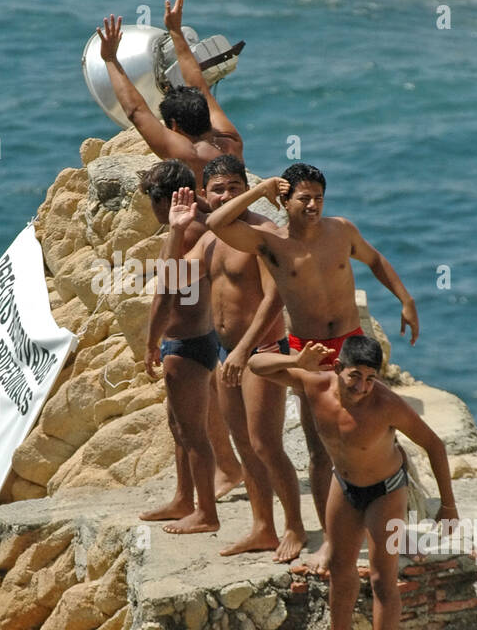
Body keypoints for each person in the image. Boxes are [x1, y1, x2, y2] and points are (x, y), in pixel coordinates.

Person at [205, 161, 419, 574]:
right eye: (303, 198)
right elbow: (216, 221)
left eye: (319, 197)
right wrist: (258, 188)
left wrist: (405, 300)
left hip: (352, 345)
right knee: (321, 447)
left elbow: (374, 260)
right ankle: (331, 540)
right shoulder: (271, 243)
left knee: (379, 432)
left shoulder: (341, 231)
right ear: (284, 201)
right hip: (310, 352)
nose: (313, 205)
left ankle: (393, 525)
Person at [248, 333, 459, 630]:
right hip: (343, 486)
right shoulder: (313, 384)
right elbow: (254, 363)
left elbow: (435, 445)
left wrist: (449, 506)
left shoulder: (388, 405)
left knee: (382, 579)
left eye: (370, 378)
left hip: (388, 491)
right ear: (337, 368)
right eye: (354, 376)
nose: (362, 387)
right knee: (340, 570)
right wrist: (294, 363)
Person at [167, 165, 306, 560]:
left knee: (267, 444)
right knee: (244, 444)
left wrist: (245, 349)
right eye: (217, 190)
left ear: (248, 189)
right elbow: (173, 276)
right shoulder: (212, 239)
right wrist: (176, 230)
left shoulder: (262, 235)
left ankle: (293, 527)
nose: (225, 196)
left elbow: (273, 297)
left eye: (234, 188)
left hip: (261, 351)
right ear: (204, 194)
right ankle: (263, 528)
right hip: (227, 353)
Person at [137, 160, 227, 535]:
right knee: (179, 427)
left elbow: (167, 291)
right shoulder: (201, 224)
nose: (152, 210)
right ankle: (183, 499)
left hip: (186, 343)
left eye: (153, 201)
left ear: (166, 200)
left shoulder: (186, 233)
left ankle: (205, 512)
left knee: (193, 434)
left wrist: (151, 342)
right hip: (198, 338)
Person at [96, 0, 243, 190]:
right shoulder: (230, 139)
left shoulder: (187, 154)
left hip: (213, 219)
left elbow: (136, 111)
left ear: (174, 126)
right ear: (206, 114)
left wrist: (110, 59)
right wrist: (175, 30)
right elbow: (198, 84)